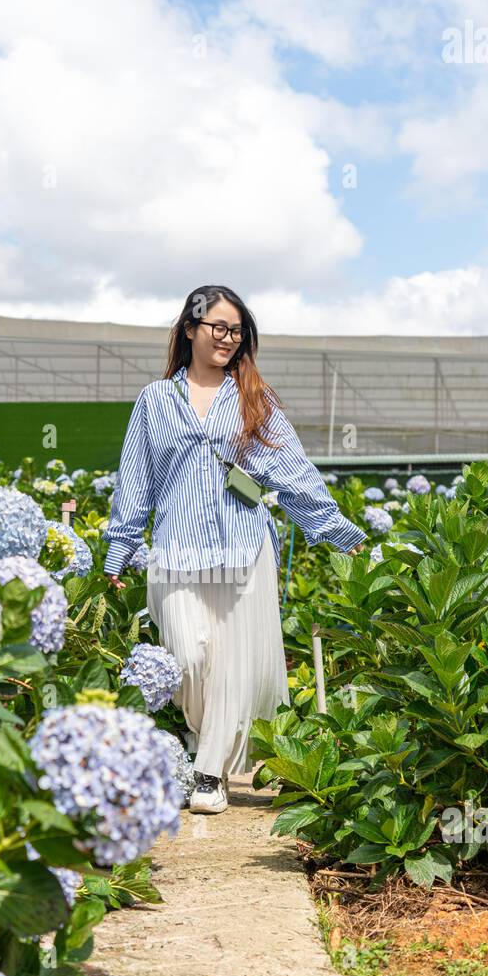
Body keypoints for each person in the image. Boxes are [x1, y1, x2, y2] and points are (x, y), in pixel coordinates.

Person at [103, 285, 366, 814]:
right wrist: (118, 551)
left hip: (242, 549)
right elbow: (135, 481)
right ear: (189, 329)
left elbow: (294, 475)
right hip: (177, 550)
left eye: (236, 330)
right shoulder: (155, 401)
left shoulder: (254, 399)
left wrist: (346, 538)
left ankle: (209, 771)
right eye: (217, 327)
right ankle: (206, 741)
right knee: (189, 654)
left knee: (230, 665)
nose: (227, 338)